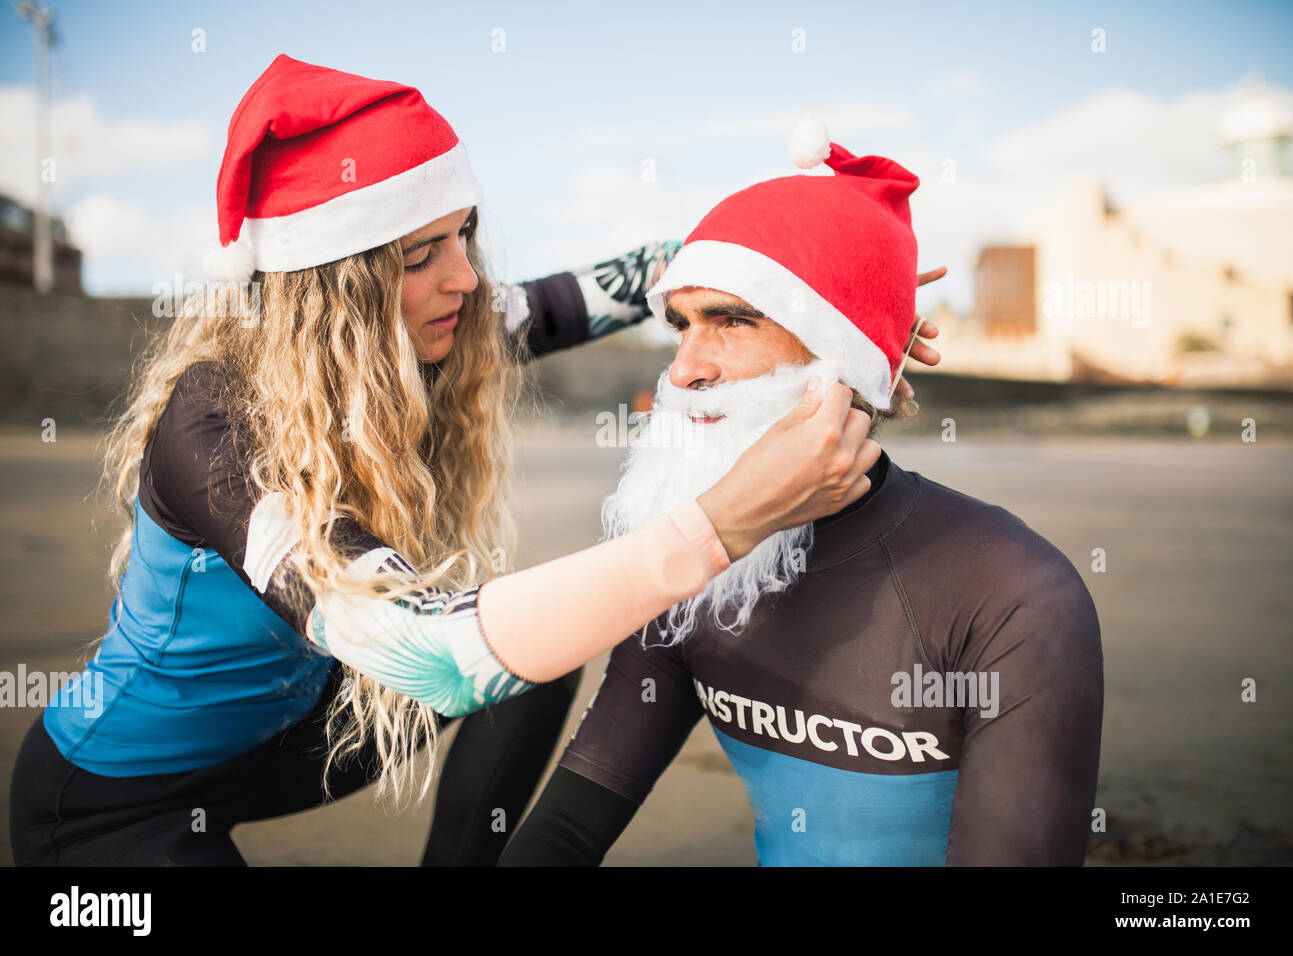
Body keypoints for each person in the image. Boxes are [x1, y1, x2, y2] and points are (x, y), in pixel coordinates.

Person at [8, 60, 938, 866]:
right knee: (491, 646)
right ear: (336, 289)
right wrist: (724, 521)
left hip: (289, 738)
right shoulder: (215, 429)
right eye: (422, 253)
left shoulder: (433, 333)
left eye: (467, 235)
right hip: (116, 797)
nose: (465, 276)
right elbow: (431, 654)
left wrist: (846, 276)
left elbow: (630, 283)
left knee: (541, 651)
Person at [498, 124, 1104, 866]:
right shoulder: (681, 565)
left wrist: (861, 282)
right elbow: (565, 831)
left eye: (733, 320)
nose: (683, 369)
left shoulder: (1012, 590)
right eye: (680, 326)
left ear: (838, 352)